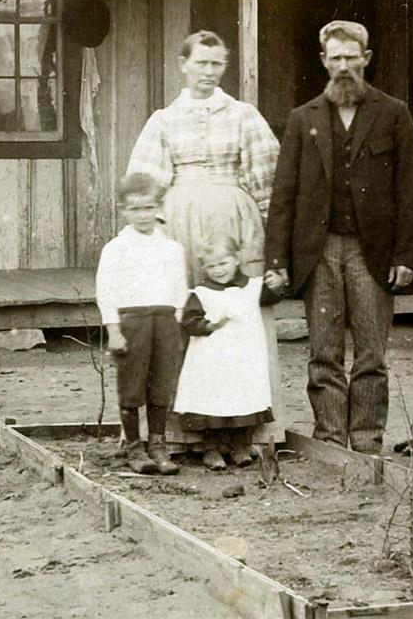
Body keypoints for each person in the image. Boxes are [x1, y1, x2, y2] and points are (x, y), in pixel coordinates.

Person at [265, 19, 413, 453]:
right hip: (317, 252)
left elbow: (411, 191)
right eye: (335, 58)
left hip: (371, 252)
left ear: (366, 59)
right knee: (323, 352)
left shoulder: (393, 114)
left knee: (371, 354)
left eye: (351, 58)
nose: (343, 66)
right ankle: (330, 440)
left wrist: (406, 256)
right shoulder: (303, 119)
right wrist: (277, 261)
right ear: (324, 61)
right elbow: (283, 196)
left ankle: (367, 440)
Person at [126, 30, 283, 447]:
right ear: (184, 65)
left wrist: (272, 238)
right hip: (179, 225)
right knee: (185, 315)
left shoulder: (244, 115)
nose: (208, 72)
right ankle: (182, 431)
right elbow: (144, 183)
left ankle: (250, 429)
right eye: (201, 63)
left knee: (239, 316)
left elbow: (267, 179)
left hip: (235, 222)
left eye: (216, 64)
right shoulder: (163, 120)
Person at [95, 171, 187, 475]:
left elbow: (180, 291)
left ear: (158, 207)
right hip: (132, 322)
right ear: (123, 210)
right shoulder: (116, 249)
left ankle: (157, 445)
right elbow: (106, 293)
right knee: (132, 386)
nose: (143, 215)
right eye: (135, 209)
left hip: (165, 321)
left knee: (161, 386)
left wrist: (176, 325)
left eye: (148, 207)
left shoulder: (171, 248)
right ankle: (134, 447)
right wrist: (114, 330)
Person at [173, 234, 276, 470]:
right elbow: (189, 321)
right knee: (212, 399)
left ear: (237, 259)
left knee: (243, 398)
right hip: (212, 359)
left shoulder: (253, 287)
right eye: (211, 266)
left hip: (243, 357)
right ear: (203, 267)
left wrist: (277, 283)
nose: (218, 270)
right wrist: (208, 326)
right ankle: (211, 449)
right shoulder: (201, 292)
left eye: (223, 263)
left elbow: (274, 296)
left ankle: (240, 446)